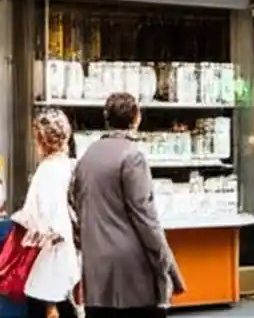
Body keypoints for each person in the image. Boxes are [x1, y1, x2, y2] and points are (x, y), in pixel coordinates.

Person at [71, 92, 185, 318]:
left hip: (96, 266)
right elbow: (144, 215)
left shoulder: (88, 156)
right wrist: (163, 257)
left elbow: (75, 203)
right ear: (136, 118)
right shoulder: (133, 156)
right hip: (130, 268)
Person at [12, 108, 80, 318]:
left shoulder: (47, 170)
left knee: (46, 302)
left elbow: (39, 215)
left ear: (42, 139)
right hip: (72, 251)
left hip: (51, 250)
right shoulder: (71, 166)